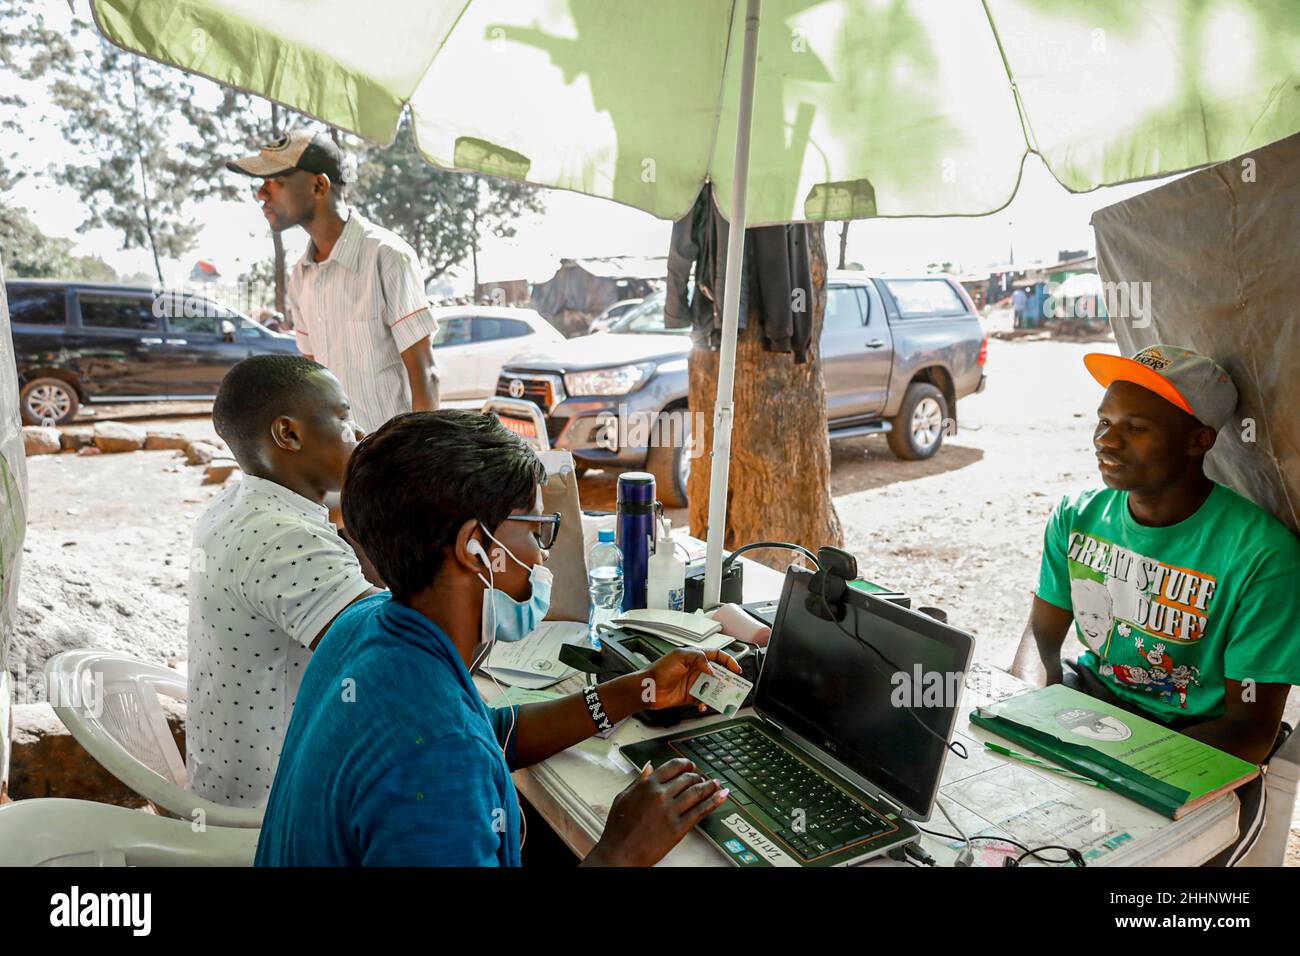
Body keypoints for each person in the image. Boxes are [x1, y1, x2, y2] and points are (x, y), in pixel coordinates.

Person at [255, 411, 740, 866]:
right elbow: (453, 746)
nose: (543, 556)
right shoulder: (440, 762)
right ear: (474, 548)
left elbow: (488, 731)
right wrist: (619, 851)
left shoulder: (366, 624)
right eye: (536, 529)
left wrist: (636, 690)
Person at [1023, 344, 1300, 765]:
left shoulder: (1263, 556)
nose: (1106, 441)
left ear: (1198, 440)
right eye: (1104, 421)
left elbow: (1249, 732)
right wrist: (1022, 701)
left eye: (1136, 428)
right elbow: (1040, 637)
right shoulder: (1077, 515)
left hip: (1193, 737)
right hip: (1093, 702)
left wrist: (1109, 765)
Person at [186, 355, 381, 807]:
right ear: (288, 433)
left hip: (225, 783)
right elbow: (396, 661)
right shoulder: (287, 539)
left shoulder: (238, 503)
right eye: (344, 419)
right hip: (277, 806)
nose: (359, 434)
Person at [225, 129, 440, 434]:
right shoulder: (301, 276)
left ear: (318, 185)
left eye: (275, 181)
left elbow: (426, 374)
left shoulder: (387, 257)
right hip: (338, 462)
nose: (261, 193)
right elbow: (314, 378)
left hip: (394, 462)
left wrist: (421, 458)